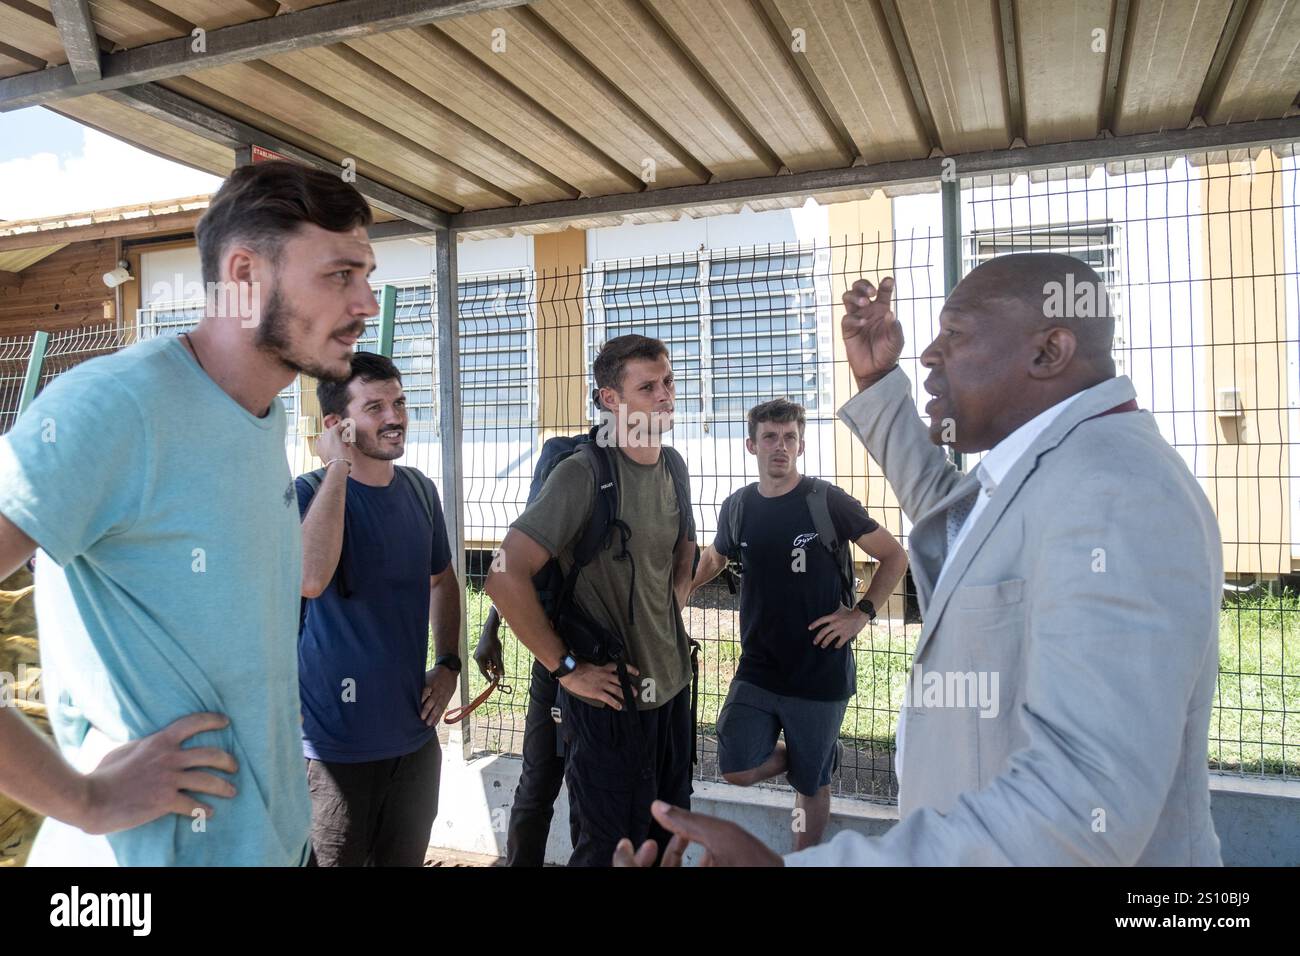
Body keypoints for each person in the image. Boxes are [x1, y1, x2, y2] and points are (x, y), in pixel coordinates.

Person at [615, 252, 1224, 866]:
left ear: (1049, 351)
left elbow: (1079, 811)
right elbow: (949, 515)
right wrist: (880, 385)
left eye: (953, 335)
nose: (928, 354)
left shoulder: (1117, 497)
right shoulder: (1061, 471)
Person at [0, 159, 378, 865]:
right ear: (243, 276)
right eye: (339, 275)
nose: (368, 303)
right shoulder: (113, 407)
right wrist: (85, 801)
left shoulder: (261, 411)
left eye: (366, 275)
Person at [485, 334, 697, 867]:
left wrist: (664, 617)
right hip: (610, 702)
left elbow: (683, 551)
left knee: (667, 840)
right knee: (609, 851)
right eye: (647, 387)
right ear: (610, 400)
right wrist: (567, 669)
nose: (665, 395)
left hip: (671, 693)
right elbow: (503, 576)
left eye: (668, 381)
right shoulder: (584, 472)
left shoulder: (673, 465)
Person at [689, 397, 907, 849]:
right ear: (751, 445)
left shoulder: (826, 501)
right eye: (770, 437)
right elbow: (716, 555)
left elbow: (893, 556)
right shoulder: (739, 507)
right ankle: (816, 757)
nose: (780, 446)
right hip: (758, 667)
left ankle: (804, 855)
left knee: (810, 788)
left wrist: (861, 614)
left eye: (790, 438)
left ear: (801, 445)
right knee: (737, 766)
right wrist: (681, 591)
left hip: (820, 671)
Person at [296, 351, 460, 866]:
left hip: (412, 743)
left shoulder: (419, 489)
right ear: (336, 424)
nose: (395, 417)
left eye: (400, 402)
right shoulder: (304, 494)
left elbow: (442, 581)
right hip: (330, 751)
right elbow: (310, 576)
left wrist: (449, 663)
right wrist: (338, 465)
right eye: (374, 407)